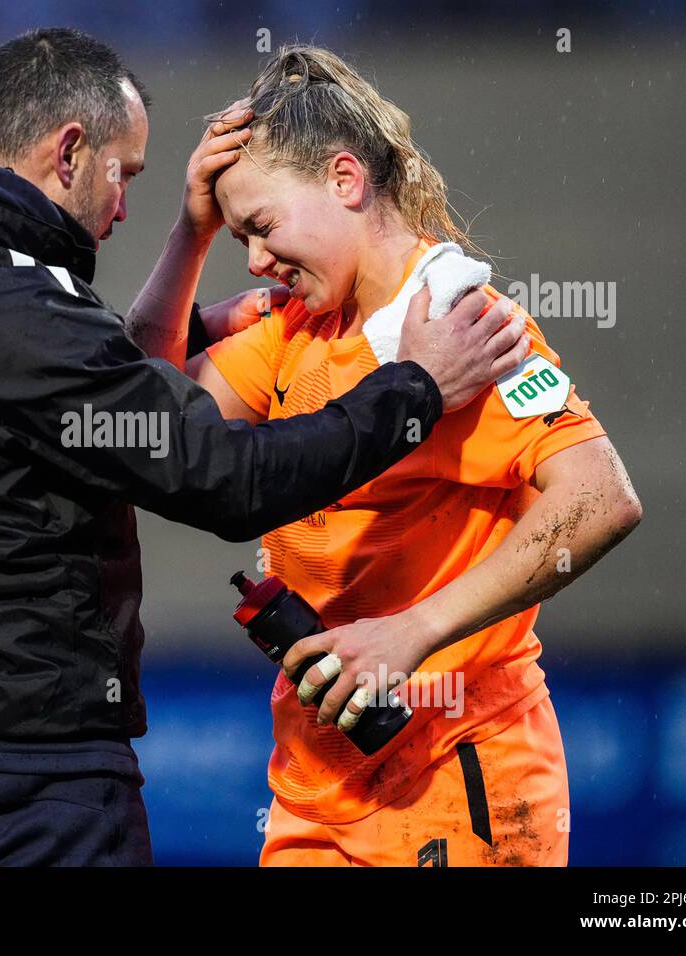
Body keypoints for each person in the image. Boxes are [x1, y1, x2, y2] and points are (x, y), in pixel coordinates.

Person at [0, 28, 528, 866]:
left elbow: (71, 389)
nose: (123, 207)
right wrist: (417, 389)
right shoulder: (20, 315)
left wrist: (189, 241)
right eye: (126, 174)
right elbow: (228, 479)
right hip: (30, 794)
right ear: (70, 152)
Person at [136, 44, 642, 866]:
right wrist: (189, 237)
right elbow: (146, 427)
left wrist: (414, 632)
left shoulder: (462, 327)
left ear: (345, 180)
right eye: (236, 239)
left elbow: (603, 494)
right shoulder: (291, 326)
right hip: (312, 787)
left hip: (460, 777)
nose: (256, 259)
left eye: (260, 227)